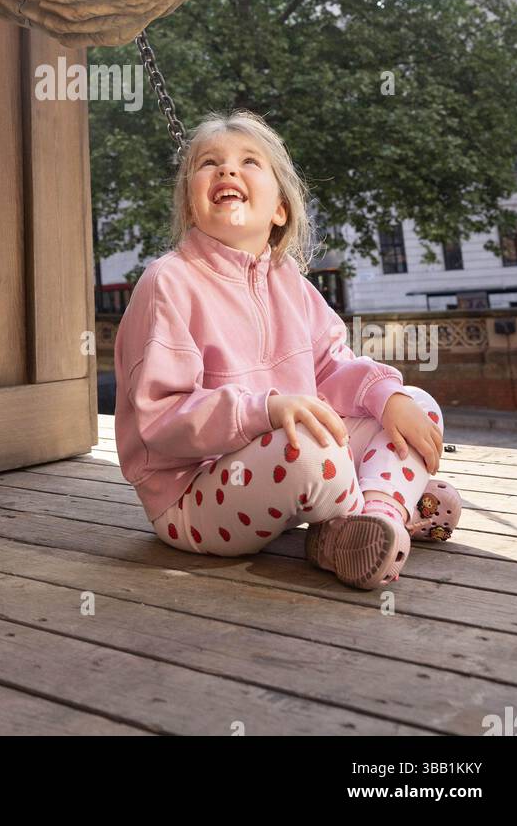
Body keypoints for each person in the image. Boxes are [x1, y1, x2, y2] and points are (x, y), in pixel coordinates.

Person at [113, 109, 462, 589]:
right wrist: (266, 410)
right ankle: (371, 514)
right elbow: (160, 420)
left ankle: (374, 518)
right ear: (192, 207)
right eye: (208, 163)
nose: (227, 170)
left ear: (279, 209)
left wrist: (386, 398)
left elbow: (331, 369)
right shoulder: (168, 282)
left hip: (276, 464)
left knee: (413, 406)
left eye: (248, 161)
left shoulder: (288, 281)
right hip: (192, 496)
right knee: (311, 447)